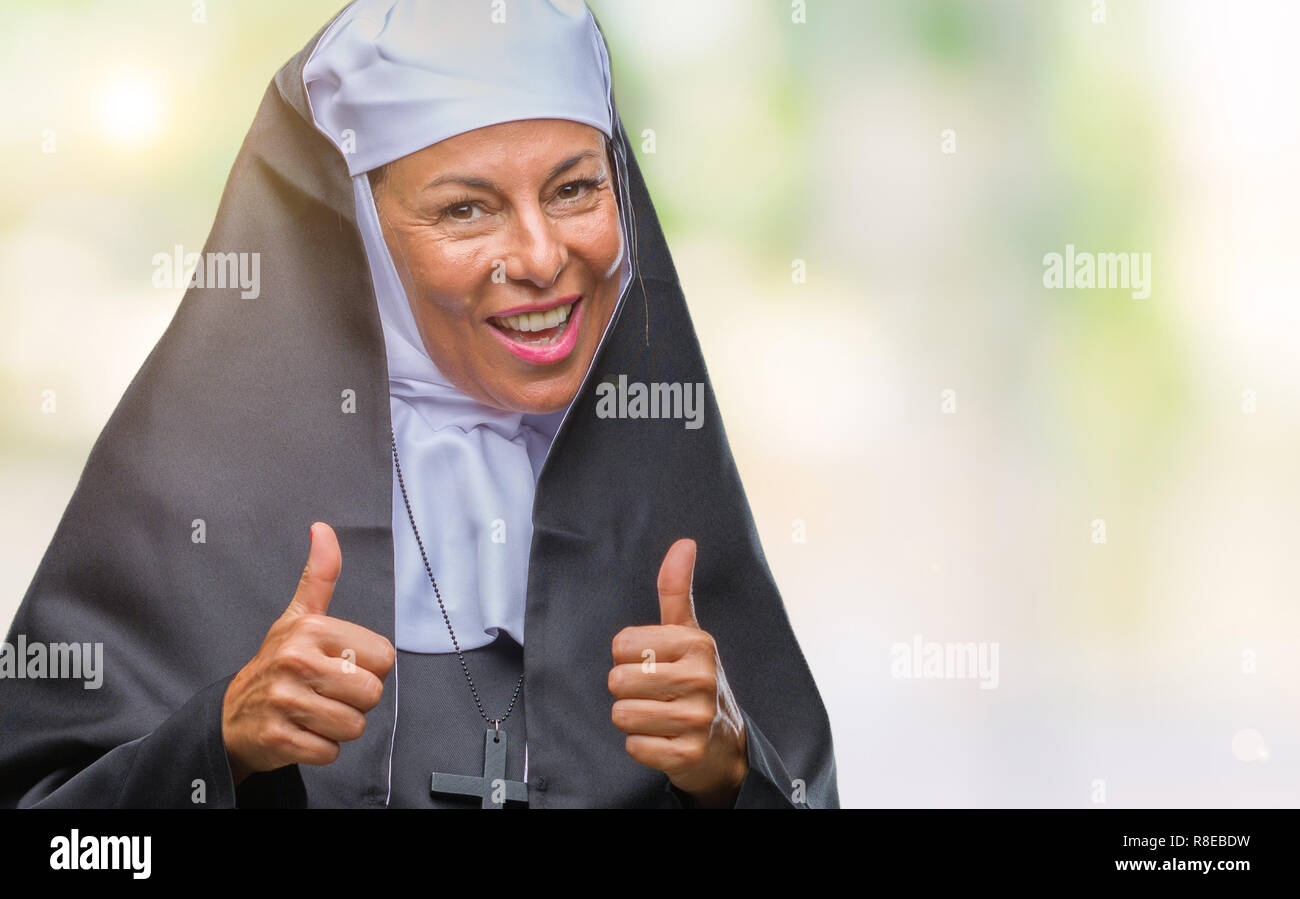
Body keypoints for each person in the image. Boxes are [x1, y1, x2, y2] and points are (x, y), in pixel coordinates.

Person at [0, 0, 839, 809]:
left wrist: (735, 778)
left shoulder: (669, 498)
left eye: (574, 190)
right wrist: (215, 745)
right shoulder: (182, 493)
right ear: (358, 226)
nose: (542, 256)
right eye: (465, 209)